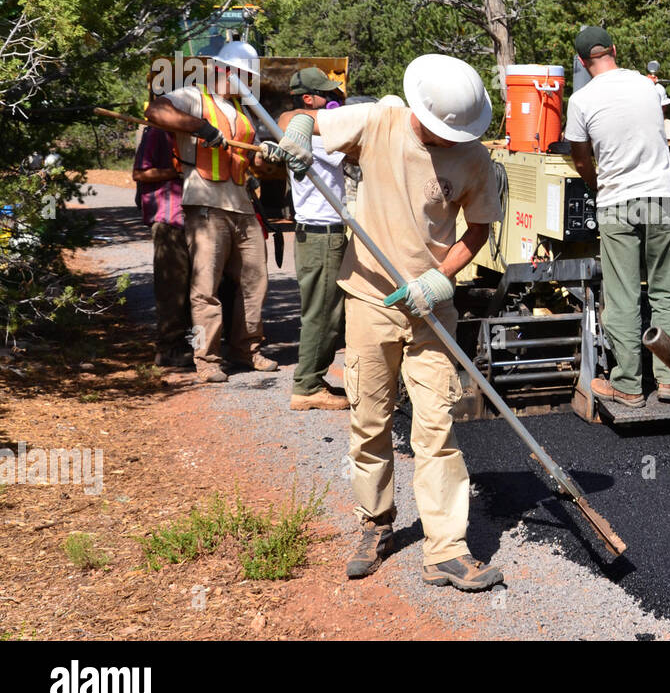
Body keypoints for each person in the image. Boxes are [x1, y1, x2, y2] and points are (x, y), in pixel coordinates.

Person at [264, 54, 505, 591]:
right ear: (420, 110)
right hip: (370, 300)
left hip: (431, 309)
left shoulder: (474, 157)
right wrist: (300, 136)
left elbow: (479, 230)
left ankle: (446, 548)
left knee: (436, 429)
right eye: (438, 131)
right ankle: (375, 524)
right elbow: (292, 120)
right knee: (369, 420)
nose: (444, 140)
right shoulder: (382, 118)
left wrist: (440, 280)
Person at [565, 26, 670, 407]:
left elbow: (580, 156)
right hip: (661, 197)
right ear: (615, 49)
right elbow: (660, 116)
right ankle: (669, 380)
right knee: (666, 290)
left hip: (616, 200)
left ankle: (630, 386)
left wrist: (595, 182)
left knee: (623, 294)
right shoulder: (649, 86)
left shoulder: (581, 100)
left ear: (583, 62)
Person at [145, 40, 277, 384]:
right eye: (244, 75)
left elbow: (252, 164)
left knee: (254, 283)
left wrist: (264, 158)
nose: (247, 82)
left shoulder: (243, 112)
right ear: (224, 70)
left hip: (243, 207)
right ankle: (205, 358)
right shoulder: (193, 97)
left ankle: (247, 348)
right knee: (205, 287)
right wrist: (198, 126)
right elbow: (155, 112)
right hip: (205, 205)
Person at [277, 68, 350, 412]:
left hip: (322, 234)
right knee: (322, 316)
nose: (333, 100)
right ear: (309, 99)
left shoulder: (304, 128)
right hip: (322, 235)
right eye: (327, 95)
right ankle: (307, 386)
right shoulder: (315, 134)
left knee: (327, 313)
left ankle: (312, 381)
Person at [132, 125, 191, 369]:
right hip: (168, 218)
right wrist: (176, 172)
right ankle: (169, 347)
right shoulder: (157, 132)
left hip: (196, 217)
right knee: (172, 288)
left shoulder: (200, 130)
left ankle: (194, 343)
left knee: (197, 286)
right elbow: (140, 173)